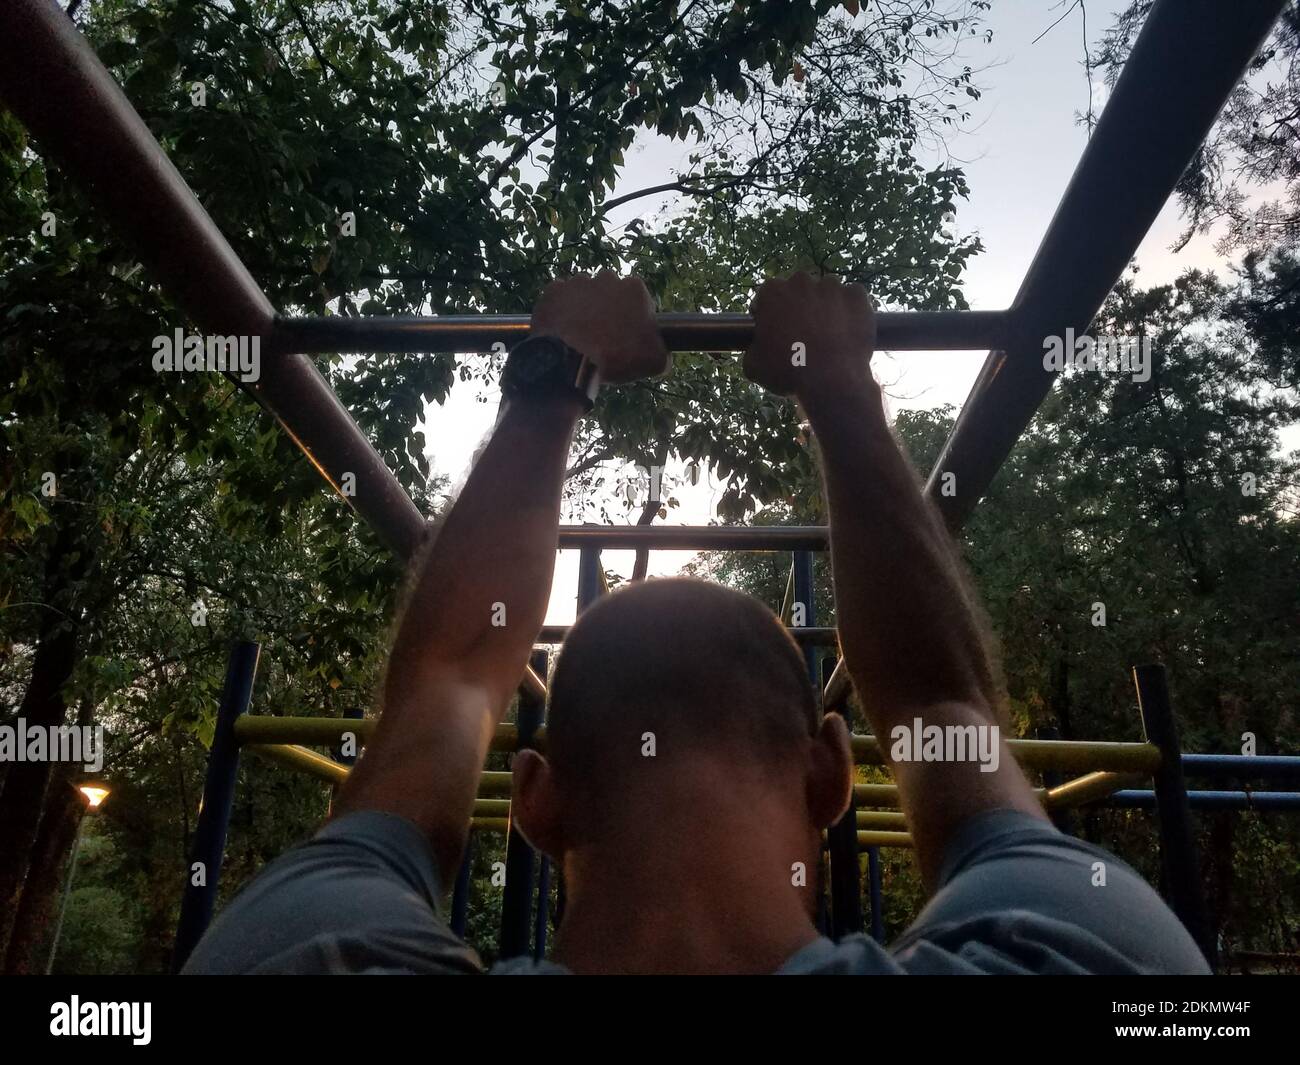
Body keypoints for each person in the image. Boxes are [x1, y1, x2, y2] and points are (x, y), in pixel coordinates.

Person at [183, 271, 1210, 975]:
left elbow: (445, 684)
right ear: (830, 779)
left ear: (533, 803)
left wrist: (556, 370)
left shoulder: (302, 958)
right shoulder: (1093, 960)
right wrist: (841, 383)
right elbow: (940, 706)